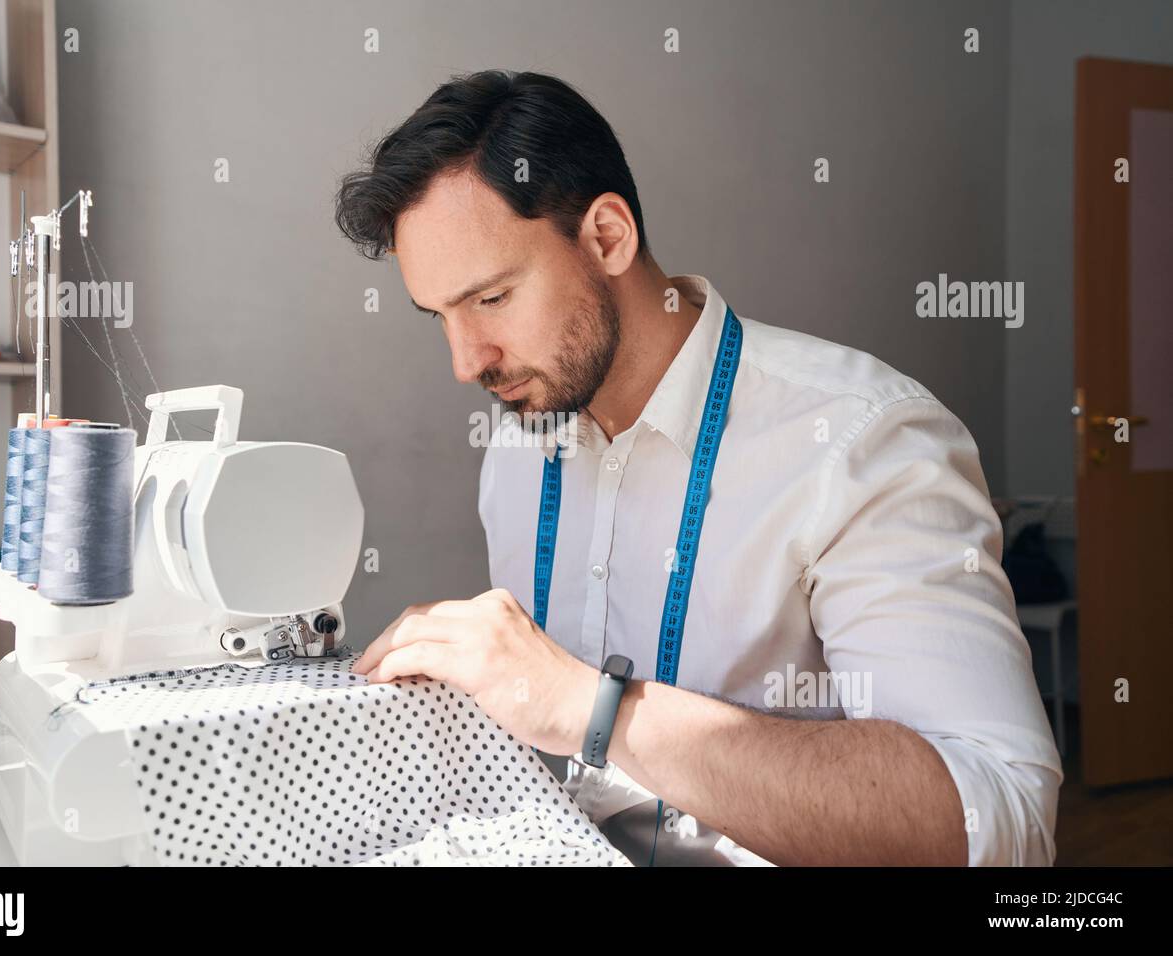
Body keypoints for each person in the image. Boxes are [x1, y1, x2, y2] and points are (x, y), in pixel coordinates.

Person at [334, 69, 1061, 866]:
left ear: (608, 236)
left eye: (492, 299)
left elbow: (997, 823)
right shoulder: (517, 445)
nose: (465, 363)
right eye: (439, 316)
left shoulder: (861, 440)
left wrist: (588, 705)